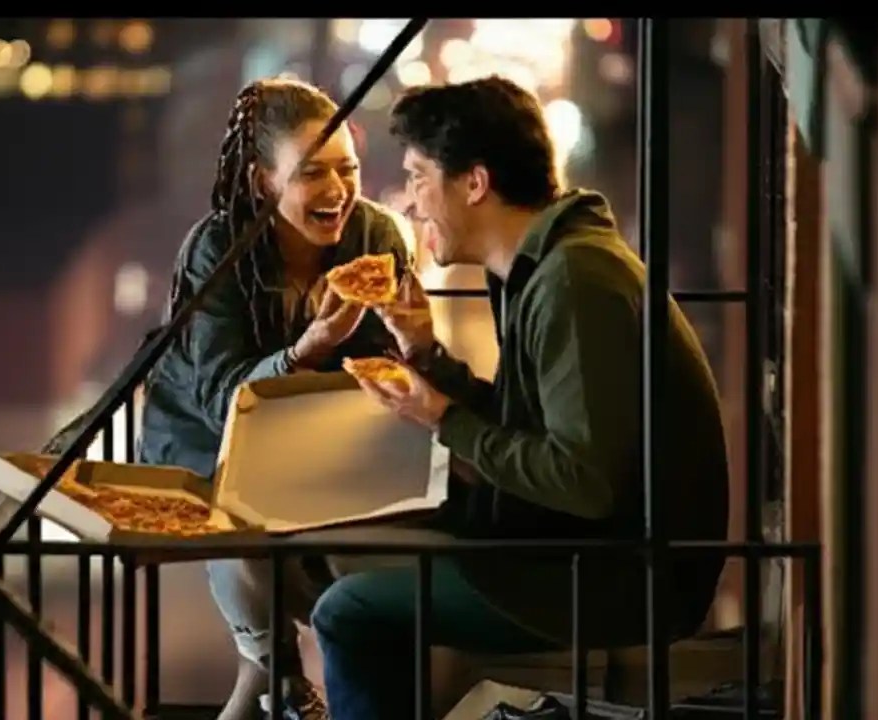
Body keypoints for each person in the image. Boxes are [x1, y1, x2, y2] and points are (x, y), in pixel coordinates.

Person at [309, 77, 731, 719]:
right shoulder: (545, 266)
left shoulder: (574, 281)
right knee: (344, 549)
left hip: (618, 579)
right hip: (579, 551)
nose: (414, 205)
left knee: (345, 612)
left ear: (474, 183)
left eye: (420, 178)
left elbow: (583, 479)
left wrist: (443, 416)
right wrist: (427, 357)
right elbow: (529, 425)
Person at [135, 77, 413, 720]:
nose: (339, 190)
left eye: (348, 168)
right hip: (205, 441)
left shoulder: (376, 237)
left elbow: (383, 372)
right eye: (313, 172)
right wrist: (306, 347)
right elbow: (219, 399)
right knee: (238, 520)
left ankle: (279, 683)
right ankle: (278, 678)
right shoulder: (217, 248)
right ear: (263, 180)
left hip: (316, 442)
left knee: (354, 546)